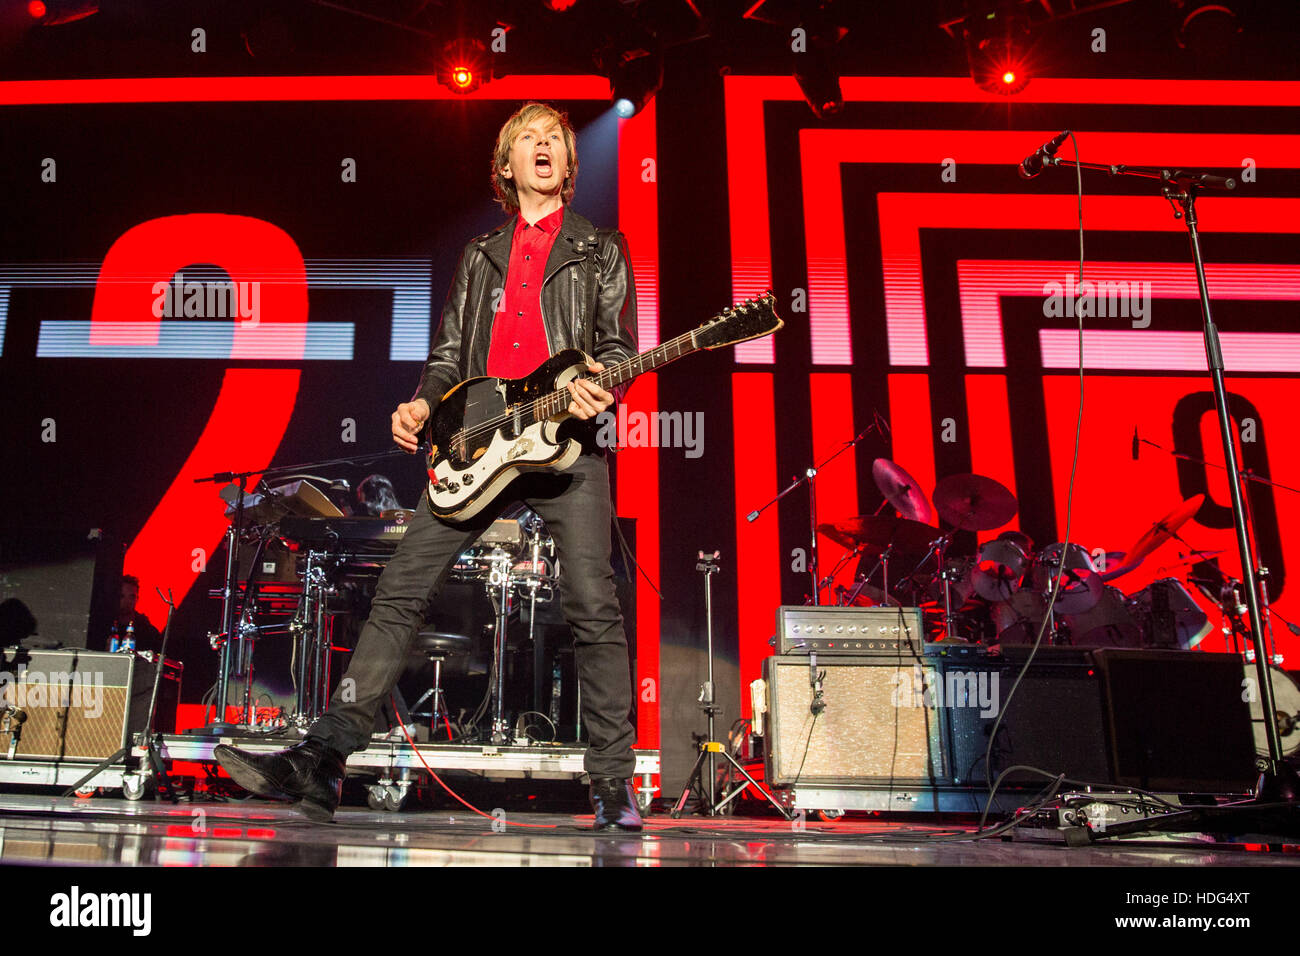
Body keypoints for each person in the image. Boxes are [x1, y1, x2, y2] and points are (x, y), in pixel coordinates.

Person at [215, 102, 643, 830]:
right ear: (506, 168)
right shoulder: (480, 255)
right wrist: (422, 404)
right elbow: (449, 355)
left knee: (594, 608)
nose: (542, 148)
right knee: (399, 593)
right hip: (481, 445)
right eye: (527, 141)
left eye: (555, 142)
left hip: (568, 448)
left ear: (571, 167)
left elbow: (617, 349)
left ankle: (612, 784)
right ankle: (322, 761)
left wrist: (599, 380)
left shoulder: (602, 247)